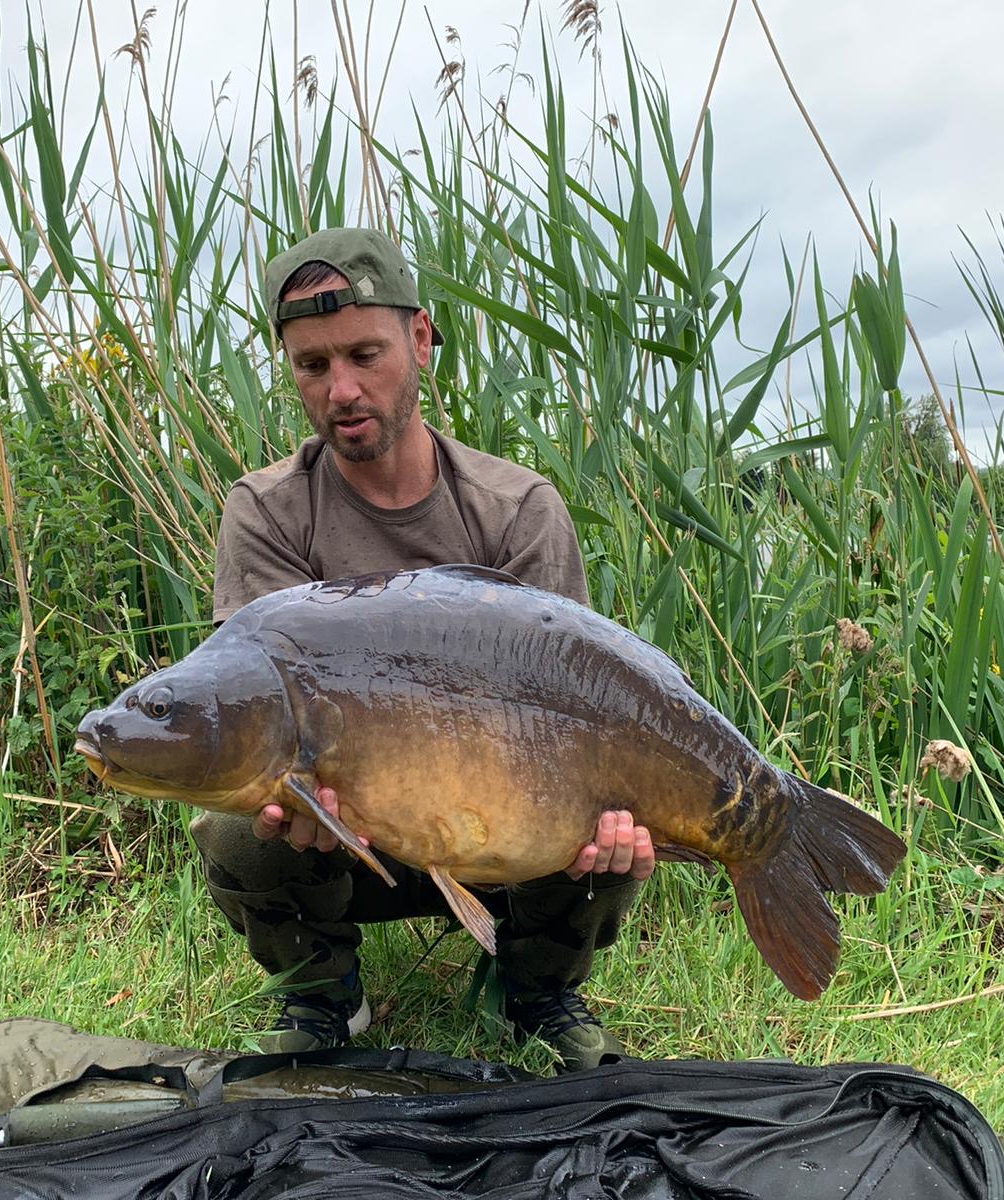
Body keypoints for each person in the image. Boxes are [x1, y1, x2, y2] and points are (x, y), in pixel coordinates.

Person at [191, 227, 656, 1071]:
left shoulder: (517, 508)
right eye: (311, 365)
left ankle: (533, 986)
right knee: (236, 823)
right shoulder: (266, 511)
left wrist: (606, 810)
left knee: (613, 825)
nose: (342, 389)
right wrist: (296, 798)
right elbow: (249, 696)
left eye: (366, 354)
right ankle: (323, 993)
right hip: (348, 830)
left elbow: (573, 705)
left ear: (421, 339)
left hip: (504, 830)